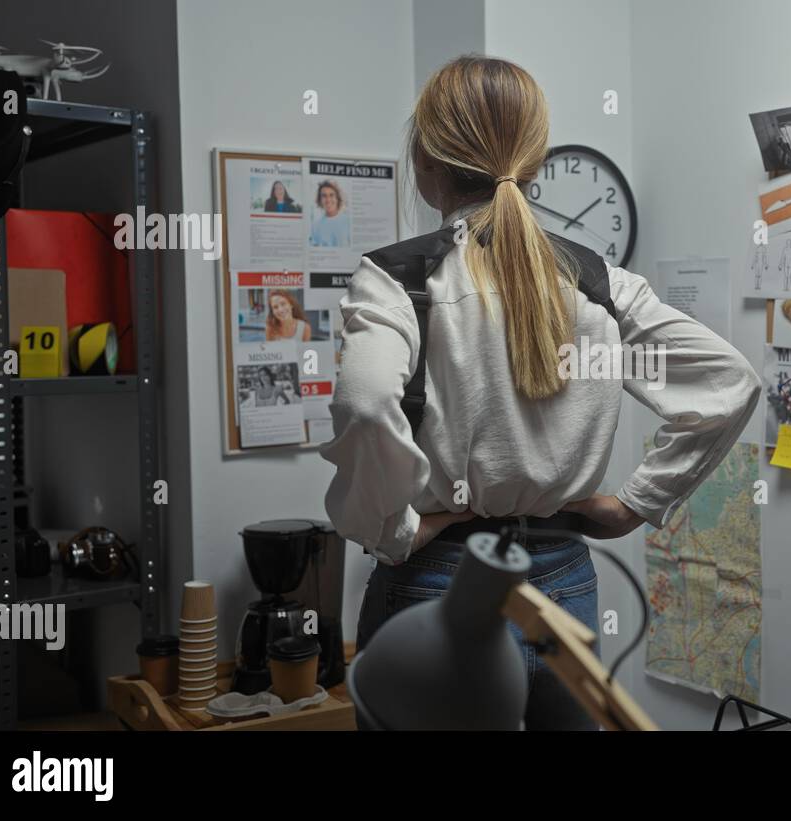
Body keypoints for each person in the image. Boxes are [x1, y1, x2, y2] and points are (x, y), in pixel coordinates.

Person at [321, 56, 760, 731]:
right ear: (535, 161)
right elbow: (729, 383)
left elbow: (364, 400)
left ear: (426, 162)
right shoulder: (600, 283)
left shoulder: (397, 279)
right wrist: (635, 504)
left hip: (439, 588)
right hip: (563, 585)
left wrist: (398, 529)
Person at [310, 179, 351, 247]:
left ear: (337, 198)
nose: (328, 200)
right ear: (320, 200)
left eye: (331, 195)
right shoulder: (315, 226)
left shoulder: (348, 222)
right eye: (324, 196)